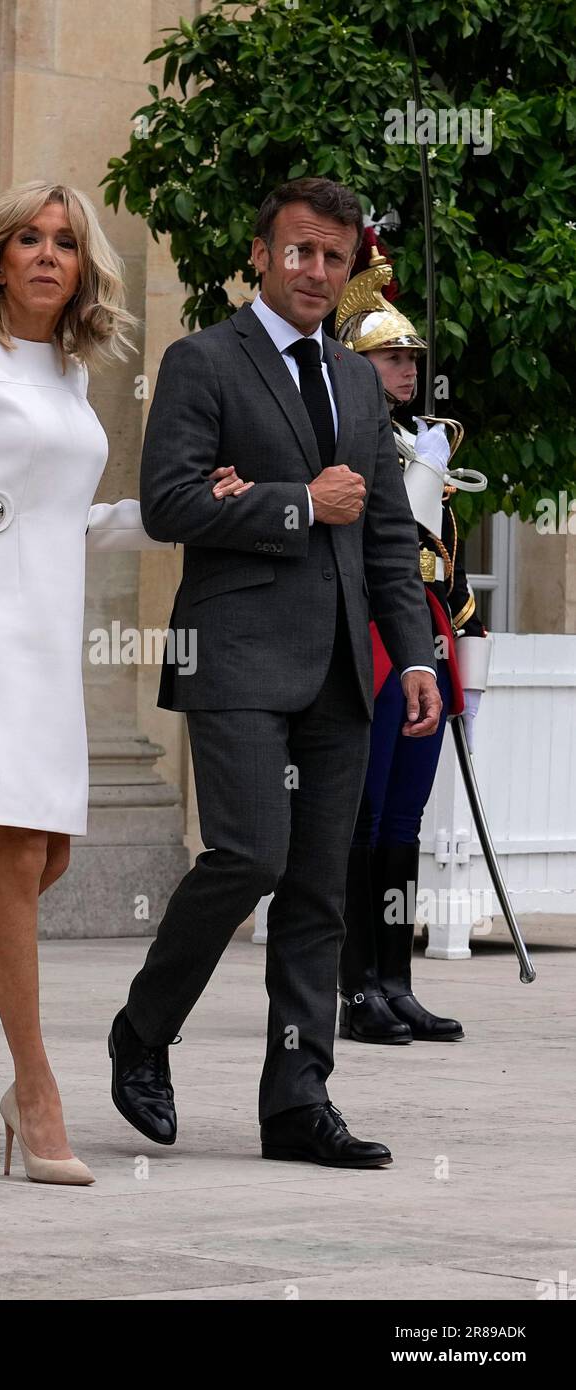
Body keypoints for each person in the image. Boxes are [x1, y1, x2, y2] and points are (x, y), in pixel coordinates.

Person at [0, 180, 245, 1184]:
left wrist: (182, 509)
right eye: (25, 238)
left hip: (44, 637)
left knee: (48, 862)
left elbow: (66, 516)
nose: (42, 255)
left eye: (63, 243)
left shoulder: (67, 376)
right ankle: (34, 1094)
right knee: (19, 862)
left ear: (80, 269)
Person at [108, 176, 443, 1171]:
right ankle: (141, 1030)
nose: (314, 270)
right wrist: (295, 502)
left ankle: (297, 1101)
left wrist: (413, 653)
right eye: (298, 251)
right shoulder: (200, 360)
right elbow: (168, 501)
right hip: (235, 655)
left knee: (318, 889)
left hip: (343, 666)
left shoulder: (351, 380)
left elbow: (386, 530)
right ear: (261, 254)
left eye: (332, 258)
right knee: (248, 855)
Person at [334, 244, 489, 1044]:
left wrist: (462, 622)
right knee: (361, 818)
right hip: (369, 635)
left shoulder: (417, 440)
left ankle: (395, 980)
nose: (407, 368)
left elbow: (440, 553)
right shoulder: (351, 443)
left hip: (421, 634)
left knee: (404, 819)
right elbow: (386, 537)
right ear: (358, 362)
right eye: (392, 355)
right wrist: (420, 480)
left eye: (410, 357)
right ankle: (354, 988)